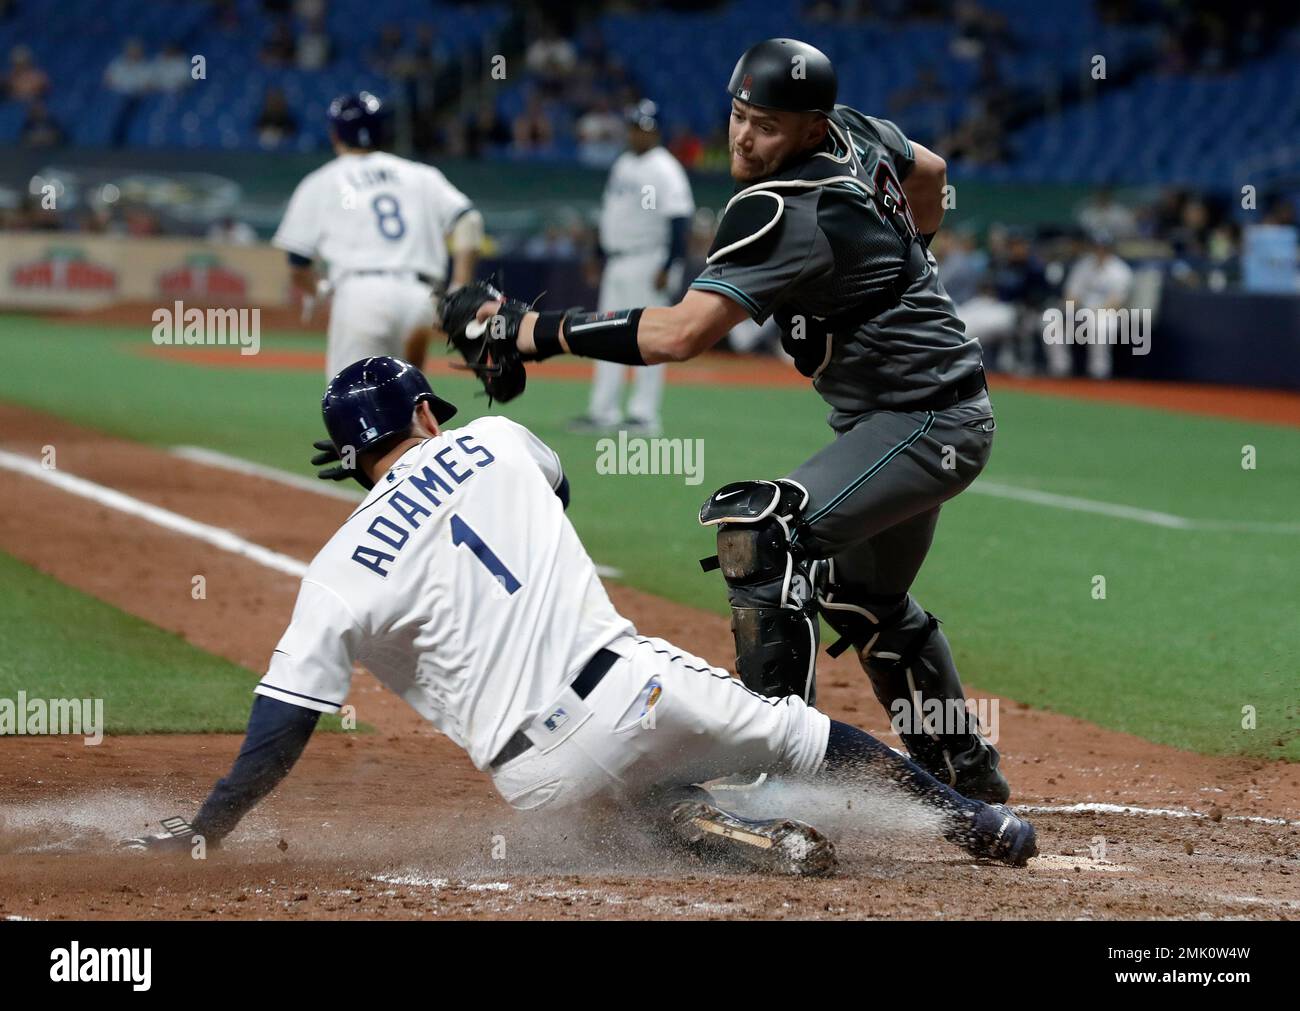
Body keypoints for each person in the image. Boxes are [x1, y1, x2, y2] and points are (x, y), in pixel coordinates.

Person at [123, 357, 1037, 874]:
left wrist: (209, 827)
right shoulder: (492, 436)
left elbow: (281, 724)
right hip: (638, 692)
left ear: (351, 458)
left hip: (537, 778)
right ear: (426, 415)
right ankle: (980, 824)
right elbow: (557, 495)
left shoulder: (333, 571)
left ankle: (740, 839)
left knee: (619, 811)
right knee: (801, 736)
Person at [443, 38, 1013, 803]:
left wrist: (526, 331)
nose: (744, 137)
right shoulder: (856, 129)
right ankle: (962, 769)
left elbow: (681, 334)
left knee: (760, 533)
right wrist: (908, 256)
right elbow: (933, 174)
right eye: (739, 115)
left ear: (809, 130)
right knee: (860, 594)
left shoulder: (782, 205)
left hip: (925, 417)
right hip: (920, 410)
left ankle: (777, 778)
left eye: (766, 125)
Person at [272, 92, 482, 377]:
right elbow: (468, 221)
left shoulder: (323, 180)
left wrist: (318, 291)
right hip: (419, 299)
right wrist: (459, 286)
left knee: (351, 404)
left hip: (361, 295)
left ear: (335, 135)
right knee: (407, 406)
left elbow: (297, 263)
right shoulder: (421, 175)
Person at [569, 100, 694, 436]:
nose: (639, 133)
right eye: (636, 127)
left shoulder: (665, 168)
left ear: (656, 132)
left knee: (648, 338)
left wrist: (670, 264)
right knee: (604, 335)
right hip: (619, 260)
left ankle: (643, 415)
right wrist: (597, 253)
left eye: (645, 128)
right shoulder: (623, 163)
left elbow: (680, 220)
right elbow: (611, 213)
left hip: (649, 260)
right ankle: (602, 411)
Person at [1048, 231, 1133, 380]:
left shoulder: (1120, 270)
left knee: (1099, 325)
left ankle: (1099, 372)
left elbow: (1116, 302)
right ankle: (1060, 369)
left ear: (1110, 249)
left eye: (1104, 247)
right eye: (1097, 247)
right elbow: (1071, 294)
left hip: (1108, 313)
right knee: (1051, 321)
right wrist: (1070, 311)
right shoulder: (1083, 265)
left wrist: (1090, 313)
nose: (1100, 250)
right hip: (1081, 312)